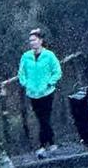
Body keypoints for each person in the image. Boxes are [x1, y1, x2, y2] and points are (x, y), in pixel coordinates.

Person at [18, 28, 62, 158]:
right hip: (33, 93)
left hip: (47, 92)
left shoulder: (49, 55)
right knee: (41, 118)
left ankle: (43, 146)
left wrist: (50, 82)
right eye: (30, 40)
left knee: (44, 118)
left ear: (41, 41)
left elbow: (57, 71)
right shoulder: (26, 56)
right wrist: (25, 84)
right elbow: (21, 73)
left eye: (34, 40)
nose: (32, 42)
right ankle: (52, 142)